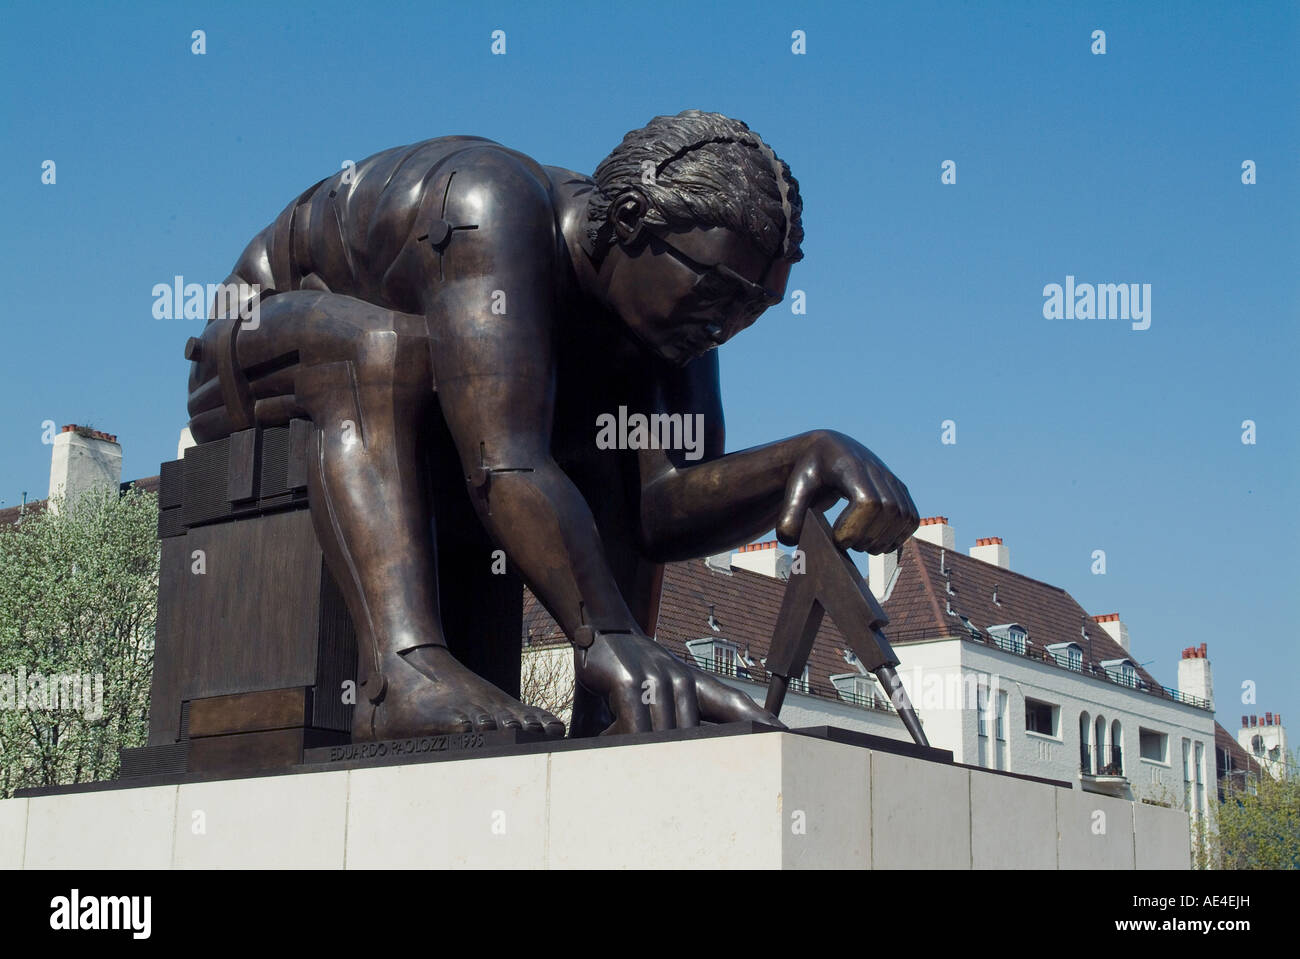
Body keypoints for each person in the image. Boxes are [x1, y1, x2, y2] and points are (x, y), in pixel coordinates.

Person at [185, 110, 919, 741]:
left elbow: (659, 508)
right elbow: (504, 463)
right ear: (631, 222)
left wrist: (803, 460)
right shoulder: (491, 205)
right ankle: (398, 674)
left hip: (449, 402)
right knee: (385, 352)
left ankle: (611, 703)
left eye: (755, 306)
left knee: (605, 431)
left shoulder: (677, 321)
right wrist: (610, 631)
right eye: (720, 290)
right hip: (250, 340)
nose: (727, 324)